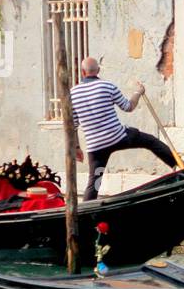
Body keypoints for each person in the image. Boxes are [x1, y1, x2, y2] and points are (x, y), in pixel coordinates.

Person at [70, 57, 177, 200]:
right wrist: (138, 92)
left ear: (82, 72)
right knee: (150, 141)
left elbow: (73, 126)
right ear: (98, 71)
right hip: (119, 137)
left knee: (95, 180)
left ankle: (86, 211)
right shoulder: (107, 86)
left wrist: (77, 147)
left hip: (96, 147)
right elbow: (128, 107)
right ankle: (178, 164)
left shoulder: (73, 94)